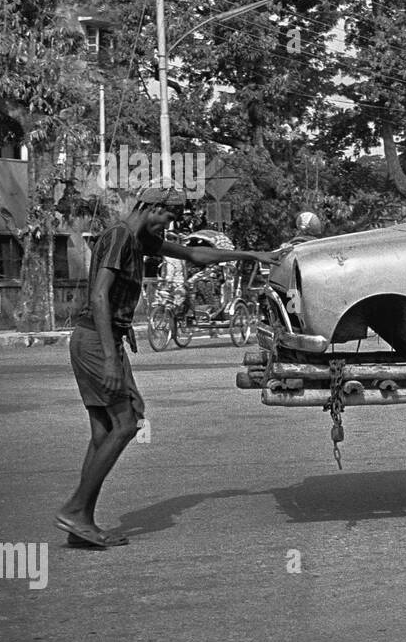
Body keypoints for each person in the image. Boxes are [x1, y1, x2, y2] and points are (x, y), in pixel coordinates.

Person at [56, 185, 281, 548]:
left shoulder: (135, 239)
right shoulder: (120, 236)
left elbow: (195, 254)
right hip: (97, 343)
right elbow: (99, 295)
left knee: (104, 431)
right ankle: (75, 509)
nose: (168, 225)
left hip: (97, 339)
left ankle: (80, 521)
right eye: (168, 216)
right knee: (127, 421)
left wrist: (251, 253)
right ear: (151, 207)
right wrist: (112, 355)